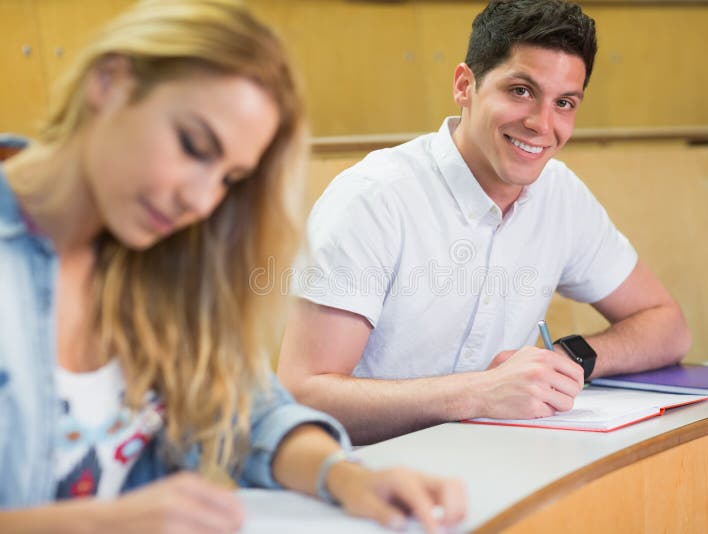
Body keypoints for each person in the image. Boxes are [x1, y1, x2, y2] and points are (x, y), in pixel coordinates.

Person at [0, 1, 465, 532]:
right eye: (194, 145)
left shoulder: (158, 260)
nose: (200, 201)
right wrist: (98, 524)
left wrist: (345, 477)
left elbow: (250, 413)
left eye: (229, 179)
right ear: (109, 82)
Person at [277, 0, 692, 445]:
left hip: (495, 463)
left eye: (565, 102)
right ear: (464, 85)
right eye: (521, 91)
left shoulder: (560, 193)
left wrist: (566, 361)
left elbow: (667, 326)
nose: (542, 124)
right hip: (365, 478)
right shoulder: (374, 197)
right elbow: (303, 395)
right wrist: (480, 393)